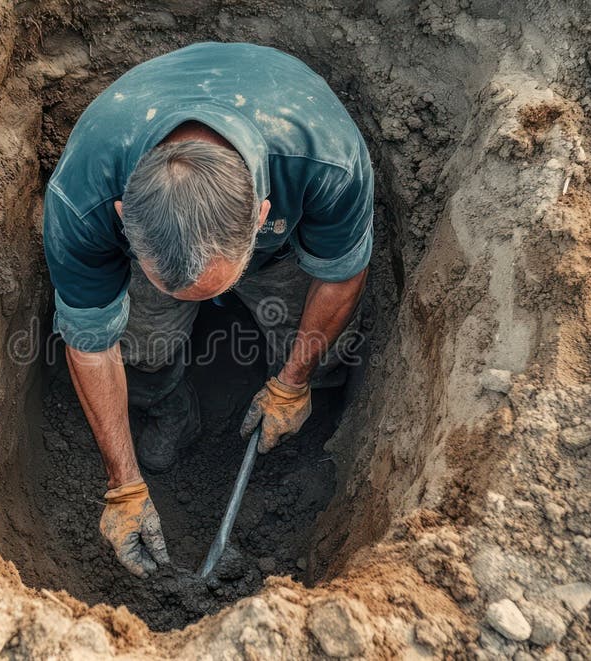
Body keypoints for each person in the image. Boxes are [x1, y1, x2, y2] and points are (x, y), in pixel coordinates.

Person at [43, 42, 373, 577]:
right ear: (124, 217)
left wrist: (293, 380)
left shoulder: (324, 157)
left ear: (263, 214)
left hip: (280, 253)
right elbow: (91, 341)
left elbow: (341, 272)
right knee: (143, 346)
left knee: (319, 341)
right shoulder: (84, 196)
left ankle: (307, 419)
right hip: (166, 238)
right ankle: (171, 405)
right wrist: (122, 485)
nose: (198, 311)